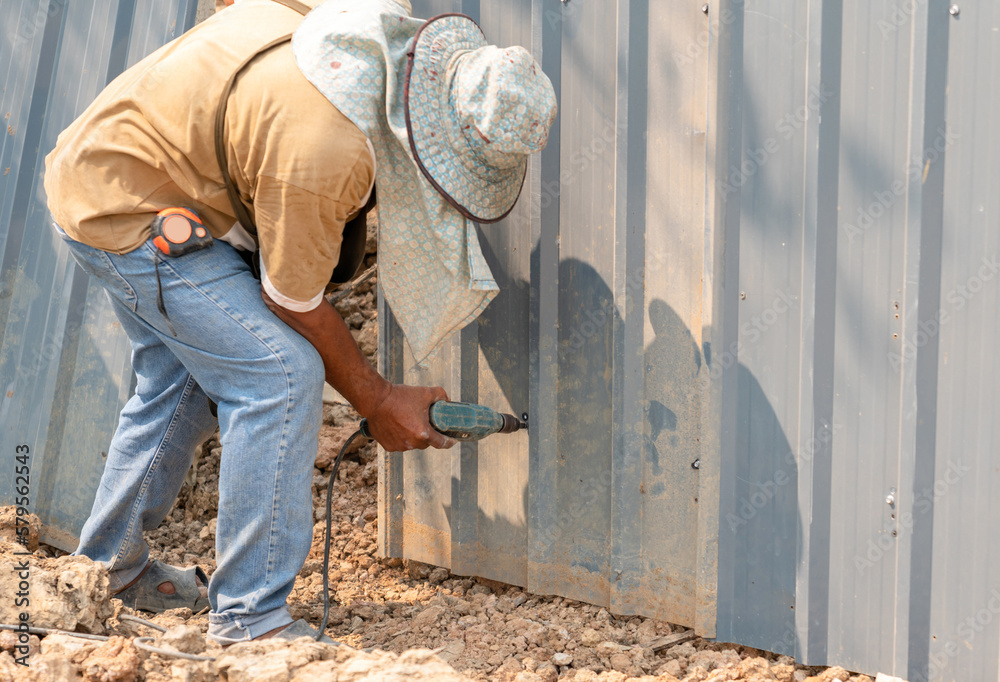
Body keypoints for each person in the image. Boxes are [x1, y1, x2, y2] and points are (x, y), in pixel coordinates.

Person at [43, 0, 556, 645]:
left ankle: (107, 572)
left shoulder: (372, 32)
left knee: (184, 381)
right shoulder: (323, 152)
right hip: (121, 206)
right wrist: (378, 399)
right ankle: (250, 619)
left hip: (120, 161)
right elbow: (291, 301)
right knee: (278, 373)